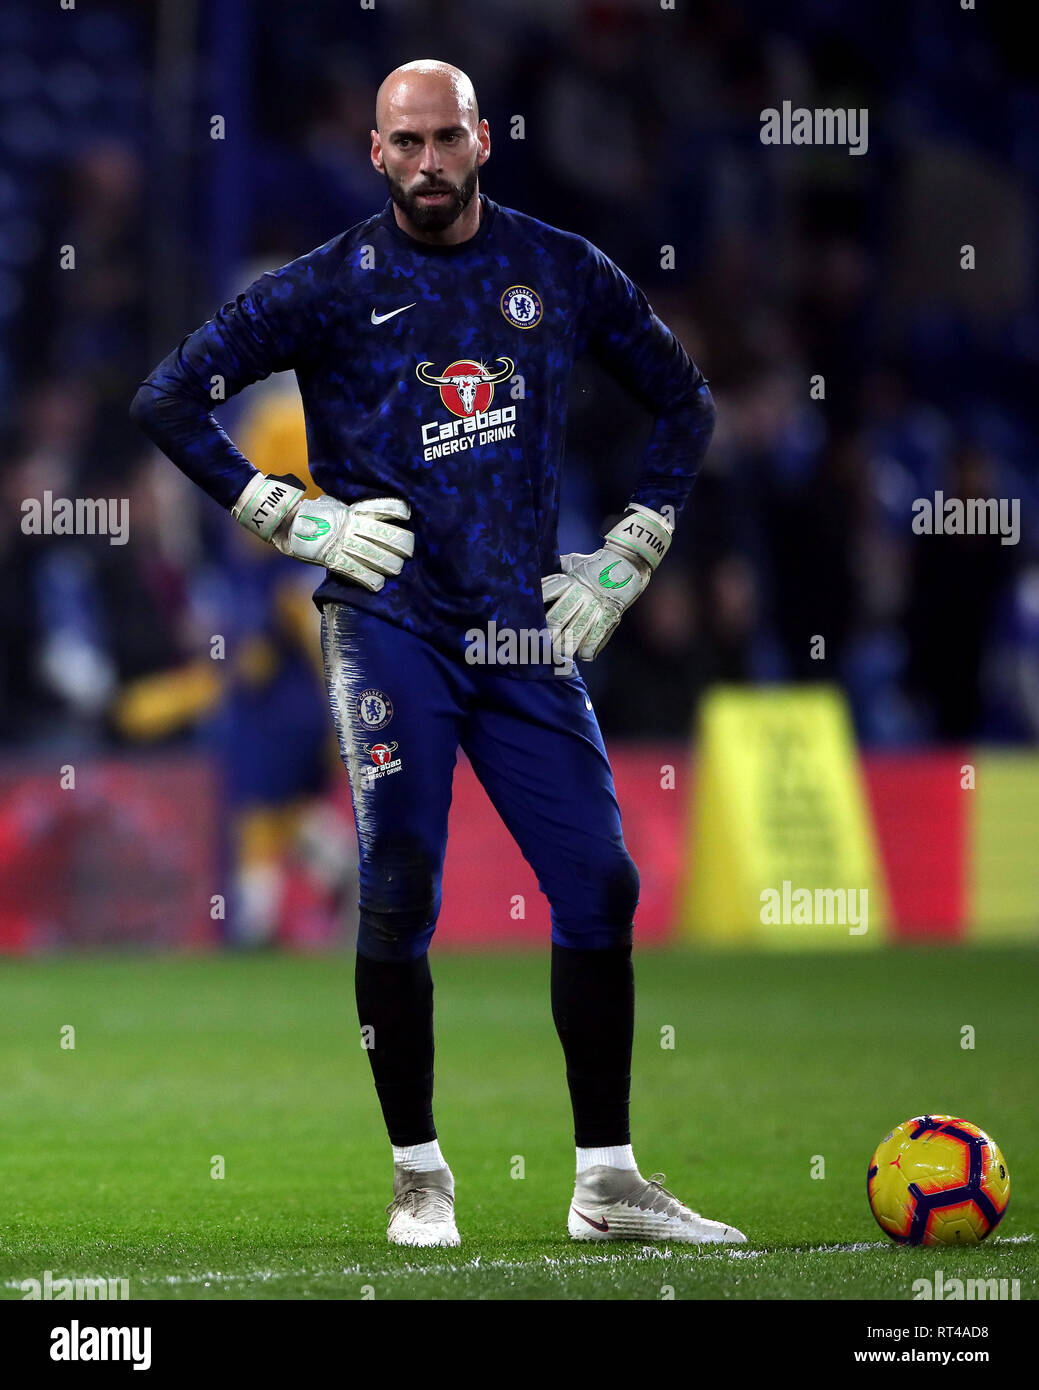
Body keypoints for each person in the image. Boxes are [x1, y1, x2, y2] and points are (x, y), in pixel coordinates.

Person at [131, 59, 744, 1248]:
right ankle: (419, 1173)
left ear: (482, 141)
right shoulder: (325, 286)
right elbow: (169, 397)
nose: (424, 164)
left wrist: (635, 540)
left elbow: (686, 400)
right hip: (388, 622)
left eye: (442, 140)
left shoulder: (558, 268)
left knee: (602, 887)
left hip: (521, 630)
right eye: (402, 144)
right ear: (374, 153)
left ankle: (607, 1182)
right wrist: (289, 512)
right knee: (401, 876)